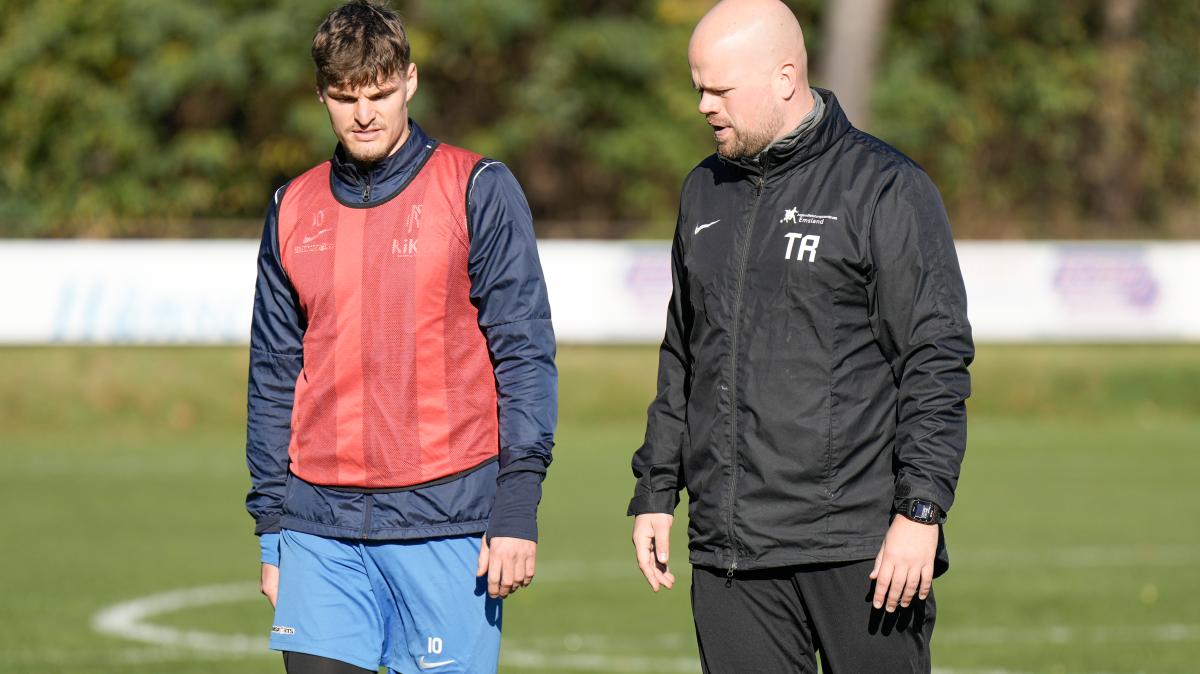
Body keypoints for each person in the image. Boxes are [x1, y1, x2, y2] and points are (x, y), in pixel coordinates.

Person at [628, 1, 973, 671]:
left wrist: (921, 512)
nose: (702, 104)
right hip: (731, 554)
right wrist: (654, 492)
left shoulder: (886, 188)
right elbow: (683, 354)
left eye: (719, 88)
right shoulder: (703, 191)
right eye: (697, 85)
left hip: (860, 547)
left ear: (784, 77)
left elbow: (935, 360)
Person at [244, 2, 556, 673]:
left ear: (410, 81)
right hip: (317, 531)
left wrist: (517, 506)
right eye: (345, 97)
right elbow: (273, 371)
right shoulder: (290, 207)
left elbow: (524, 355)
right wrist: (272, 530)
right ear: (321, 94)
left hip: (447, 522)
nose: (364, 114)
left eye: (381, 94)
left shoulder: (477, 188)